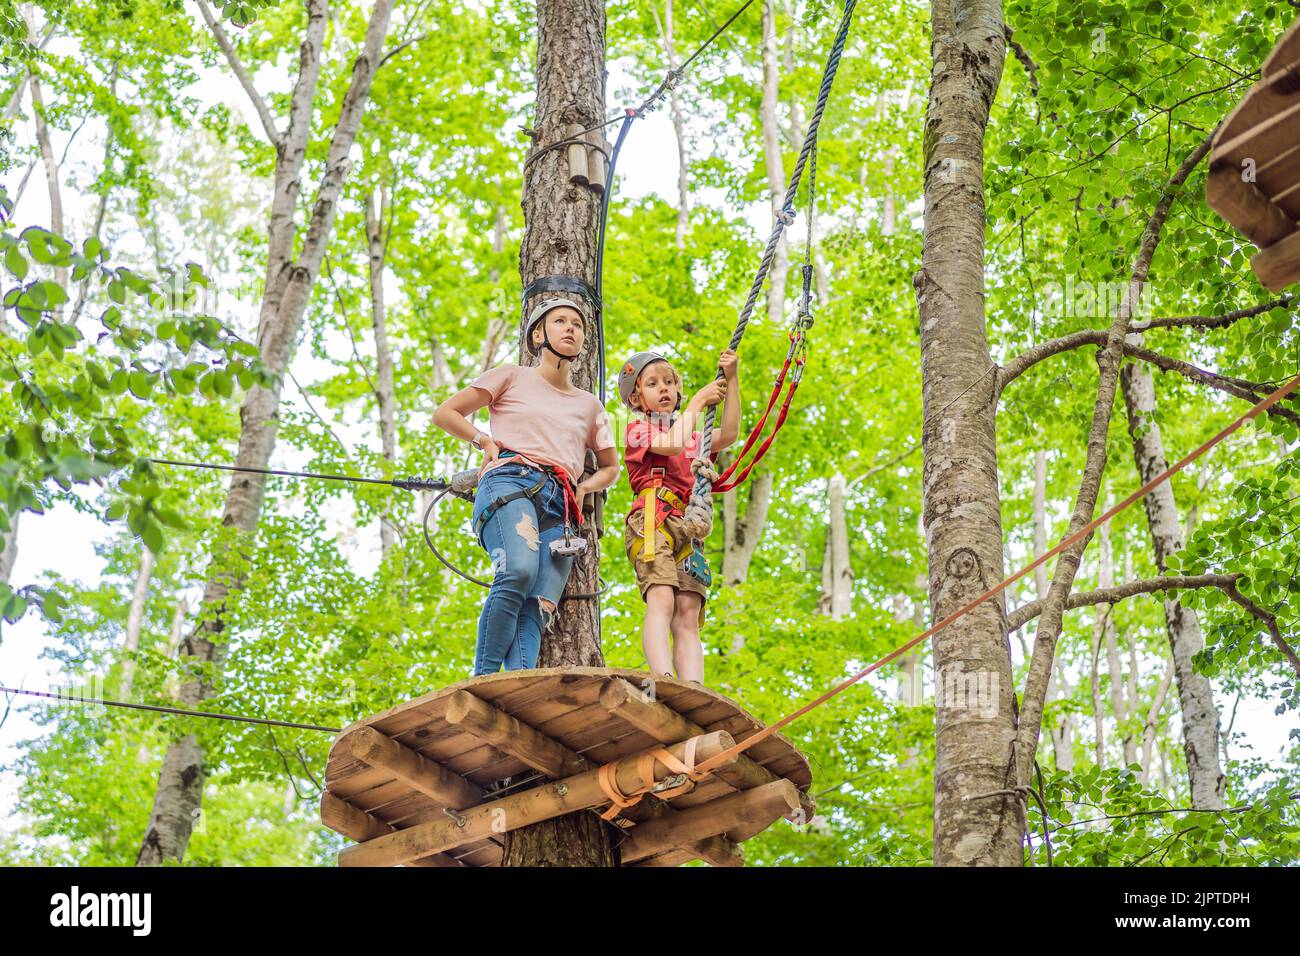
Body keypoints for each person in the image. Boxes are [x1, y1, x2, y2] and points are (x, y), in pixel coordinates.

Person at [434, 299, 618, 675]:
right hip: (511, 481)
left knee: (537, 606)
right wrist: (483, 441)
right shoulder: (511, 376)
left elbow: (611, 467)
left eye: (578, 325)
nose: (571, 329)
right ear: (538, 334)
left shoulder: (590, 406)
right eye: (560, 322)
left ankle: (517, 687)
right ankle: (484, 680)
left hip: (561, 503)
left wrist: (585, 489)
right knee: (517, 572)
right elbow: (446, 413)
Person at [618, 348, 740, 684]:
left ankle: (693, 687)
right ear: (636, 397)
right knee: (662, 598)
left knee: (687, 612)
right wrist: (698, 402)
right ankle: (664, 677)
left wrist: (732, 379)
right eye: (654, 383)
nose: (665, 389)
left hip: (687, 527)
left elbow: (729, 434)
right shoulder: (638, 430)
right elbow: (671, 444)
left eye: (670, 382)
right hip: (652, 520)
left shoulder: (694, 438)